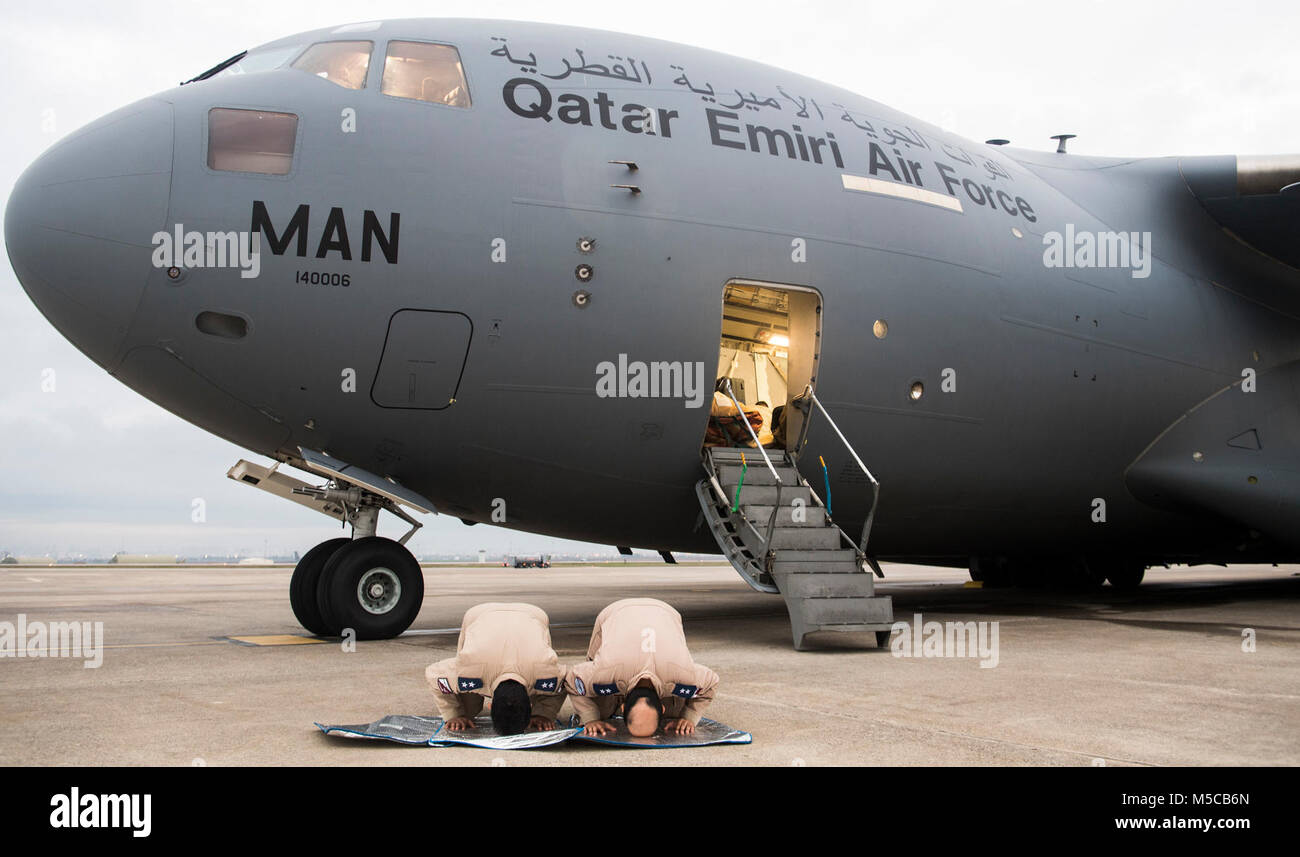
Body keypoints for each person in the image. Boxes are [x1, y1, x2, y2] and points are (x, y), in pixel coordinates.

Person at [566, 598, 719, 737]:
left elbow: (711, 682)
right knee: (599, 707)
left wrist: (688, 717)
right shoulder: (605, 672)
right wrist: (590, 718)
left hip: (667, 614)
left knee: (677, 712)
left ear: (625, 708)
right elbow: (573, 679)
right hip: (615, 613)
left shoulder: (682, 675)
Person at [425, 602, 566, 734]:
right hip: (478, 616)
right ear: (490, 706)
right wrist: (454, 715)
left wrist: (542, 714)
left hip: (534, 616)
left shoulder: (544, 671)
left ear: (490, 706)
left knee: (465, 708)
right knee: (468, 710)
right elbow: (433, 674)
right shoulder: (470, 669)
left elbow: (567, 680)